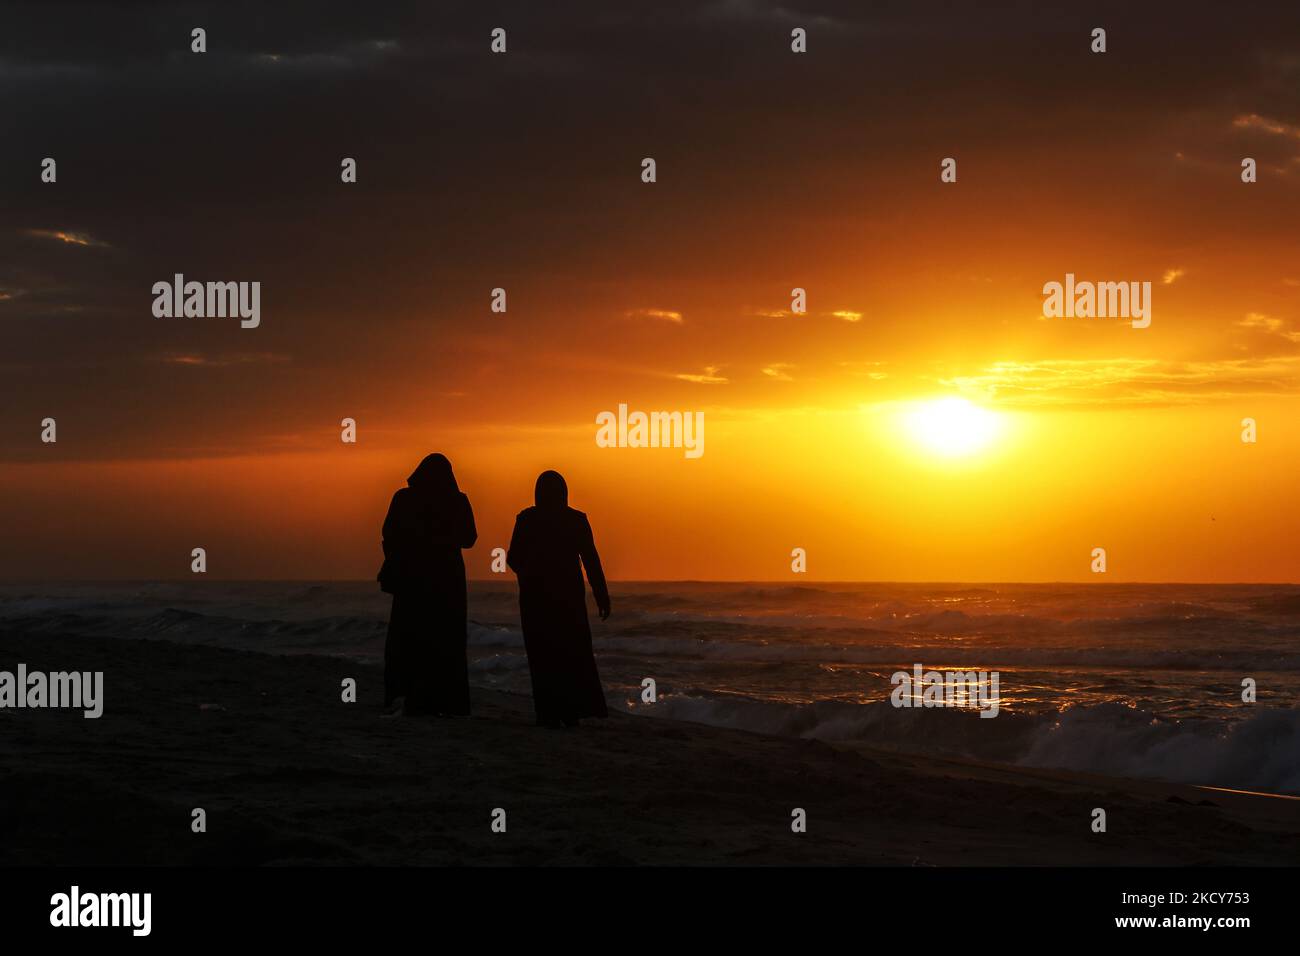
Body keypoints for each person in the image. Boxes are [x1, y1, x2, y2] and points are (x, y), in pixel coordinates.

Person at [507, 470, 610, 727]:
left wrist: (530, 573)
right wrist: (601, 595)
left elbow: (513, 558)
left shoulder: (527, 519)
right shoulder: (576, 520)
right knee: (572, 653)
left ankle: (548, 713)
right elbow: (591, 561)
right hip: (569, 600)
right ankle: (571, 712)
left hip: (536, 600)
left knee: (543, 655)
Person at [378, 453, 476, 716]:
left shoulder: (404, 498)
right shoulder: (457, 501)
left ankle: (407, 694)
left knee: (408, 637)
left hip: (412, 579)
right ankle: (447, 700)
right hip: (448, 581)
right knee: (447, 639)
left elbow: (388, 533)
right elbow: (470, 538)